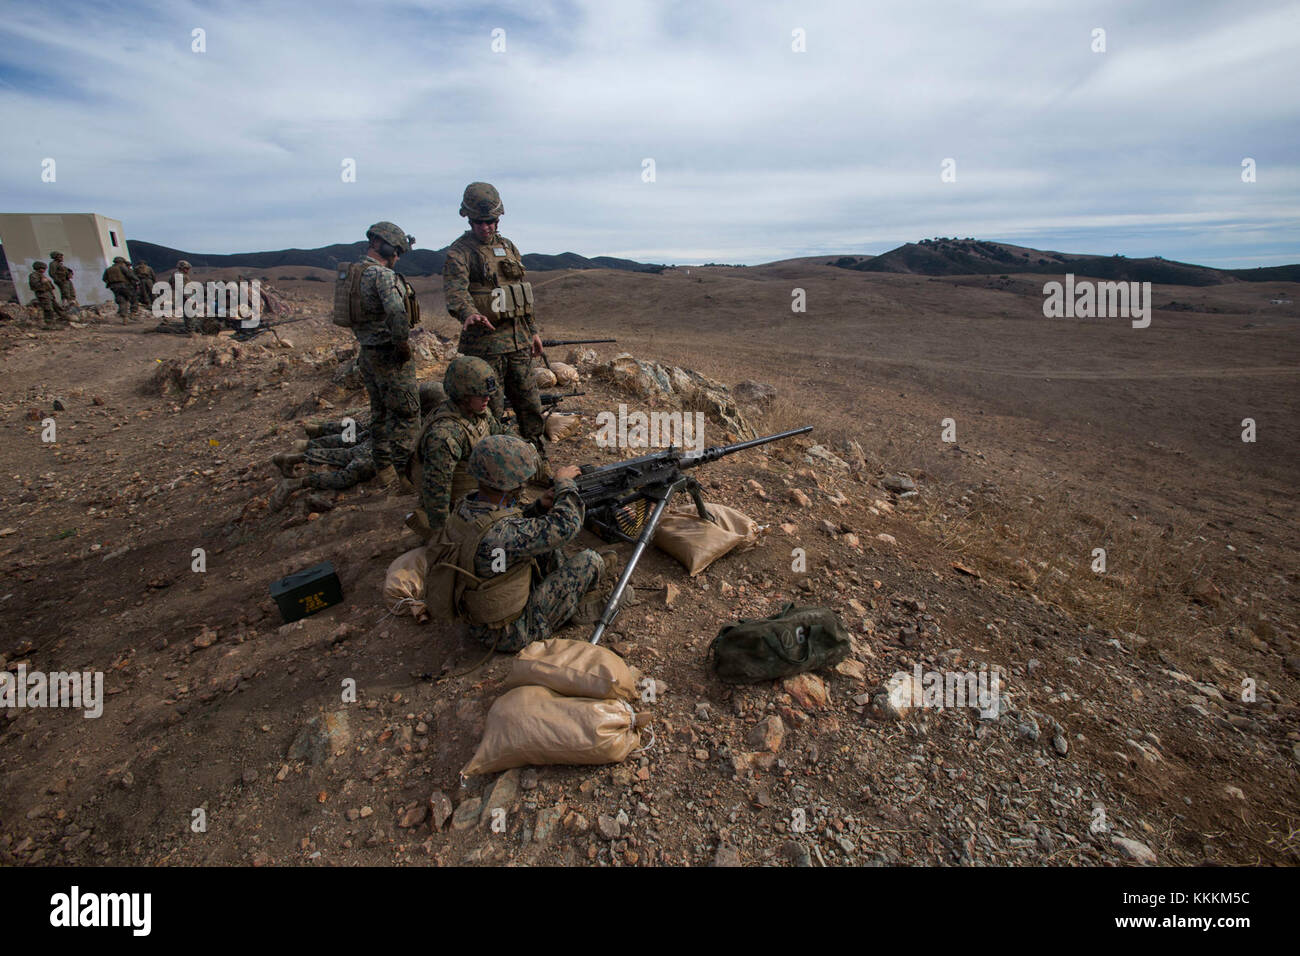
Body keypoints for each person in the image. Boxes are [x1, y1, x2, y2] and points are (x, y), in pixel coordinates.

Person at [434, 435, 606, 653]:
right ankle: (580, 605)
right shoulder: (502, 534)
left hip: (480, 617)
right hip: (511, 632)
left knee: (546, 547)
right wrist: (565, 485)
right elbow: (566, 526)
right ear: (512, 484)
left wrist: (538, 507)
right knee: (590, 561)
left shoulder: (465, 506)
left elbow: (507, 528)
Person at [442, 182, 550, 483]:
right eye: (479, 222)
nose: (486, 227)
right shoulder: (459, 253)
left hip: (518, 343)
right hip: (486, 347)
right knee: (492, 410)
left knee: (530, 404)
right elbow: (455, 293)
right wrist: (469, 313)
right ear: (468, 219)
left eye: (491, 221)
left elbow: (521, 293)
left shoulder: (509, 247)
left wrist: (533, 331)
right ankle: (493, 474)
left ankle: (538, 461)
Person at [269, 382, 444, 512]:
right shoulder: (424, 424)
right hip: (377, 453)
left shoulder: (405, 408)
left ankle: (301, 451)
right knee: (346, 475)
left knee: (348, 446)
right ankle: (296, 482)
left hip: (372, 440)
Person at [349, 221, 421, 496]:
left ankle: (384, 469)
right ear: (383, 244)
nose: (398, 257)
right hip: (388, 354)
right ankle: (409, 476)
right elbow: (397, 312)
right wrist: (402, 344)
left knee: (379, 412)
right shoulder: (382, 275)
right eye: (397, 250)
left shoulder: (355, 273)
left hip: (367, 351)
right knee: (406, 413)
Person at [407, 356, 513, 539]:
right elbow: (437, 490)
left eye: (488, 394)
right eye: (481, 394)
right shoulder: (445, 435)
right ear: (463, 395)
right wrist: (443, 535)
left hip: (480, 491)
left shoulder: (478, 412)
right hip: (458, 506)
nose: (487, 398)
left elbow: (501, 435)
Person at [102, 256, 137, 322]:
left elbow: (104, 279)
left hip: (114, 287)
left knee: (121, 301)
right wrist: (136, 280)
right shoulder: (121, 267)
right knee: (133, 297)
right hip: (123, 285)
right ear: (121, 262)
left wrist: (110, 282)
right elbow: (129, 275)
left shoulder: (108, 269)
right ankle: (133, 313)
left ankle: (124, 317)